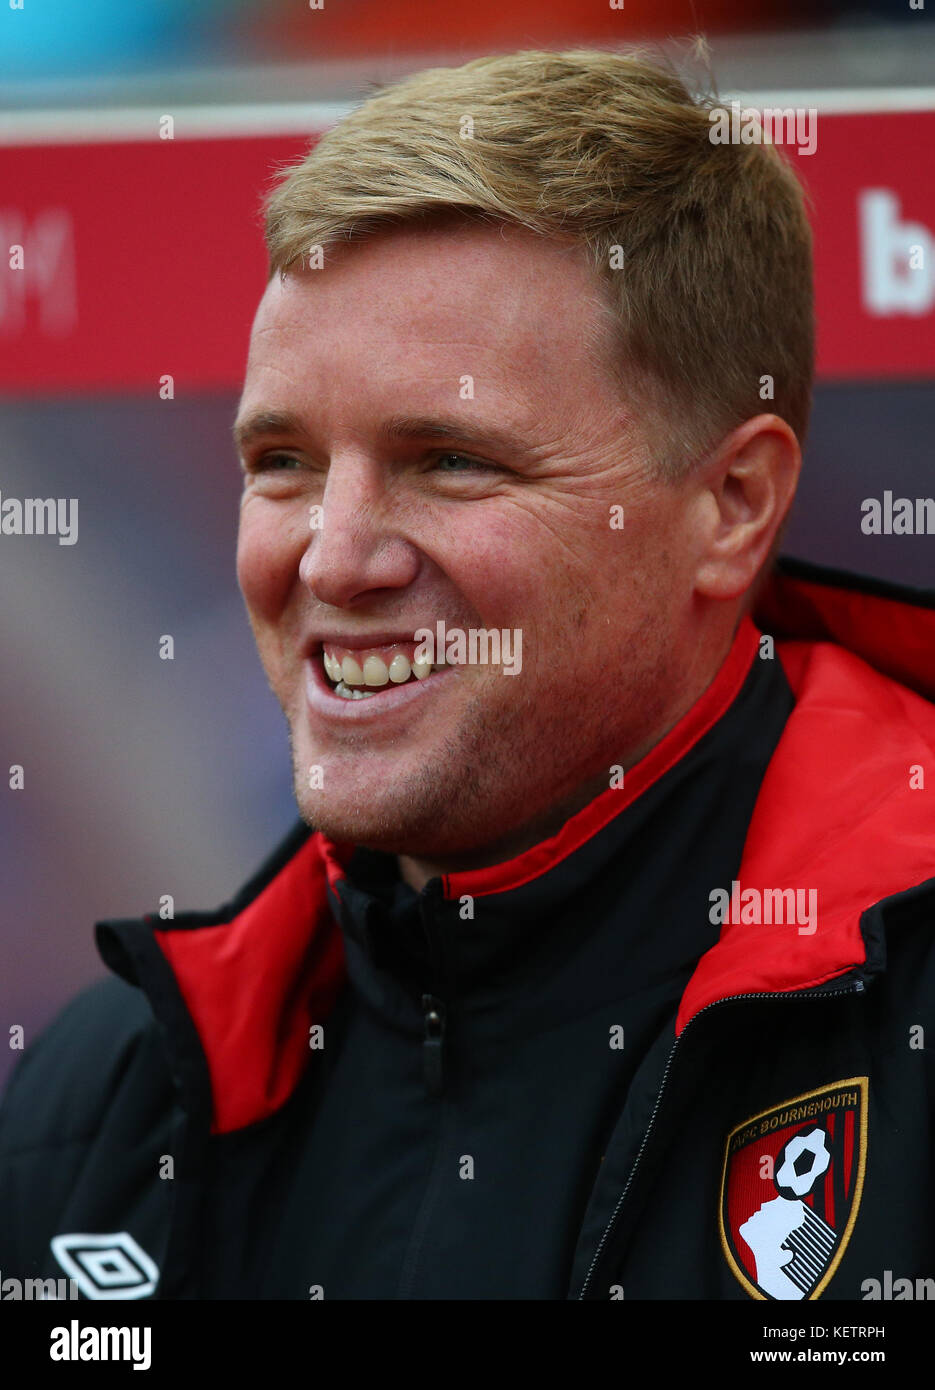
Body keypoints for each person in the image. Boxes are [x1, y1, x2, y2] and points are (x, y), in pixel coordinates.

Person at [2, 47, 934, 1303]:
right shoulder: (102, 1100)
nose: (329, 556)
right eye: (280, 460)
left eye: (448, 460)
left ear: (729, 505)